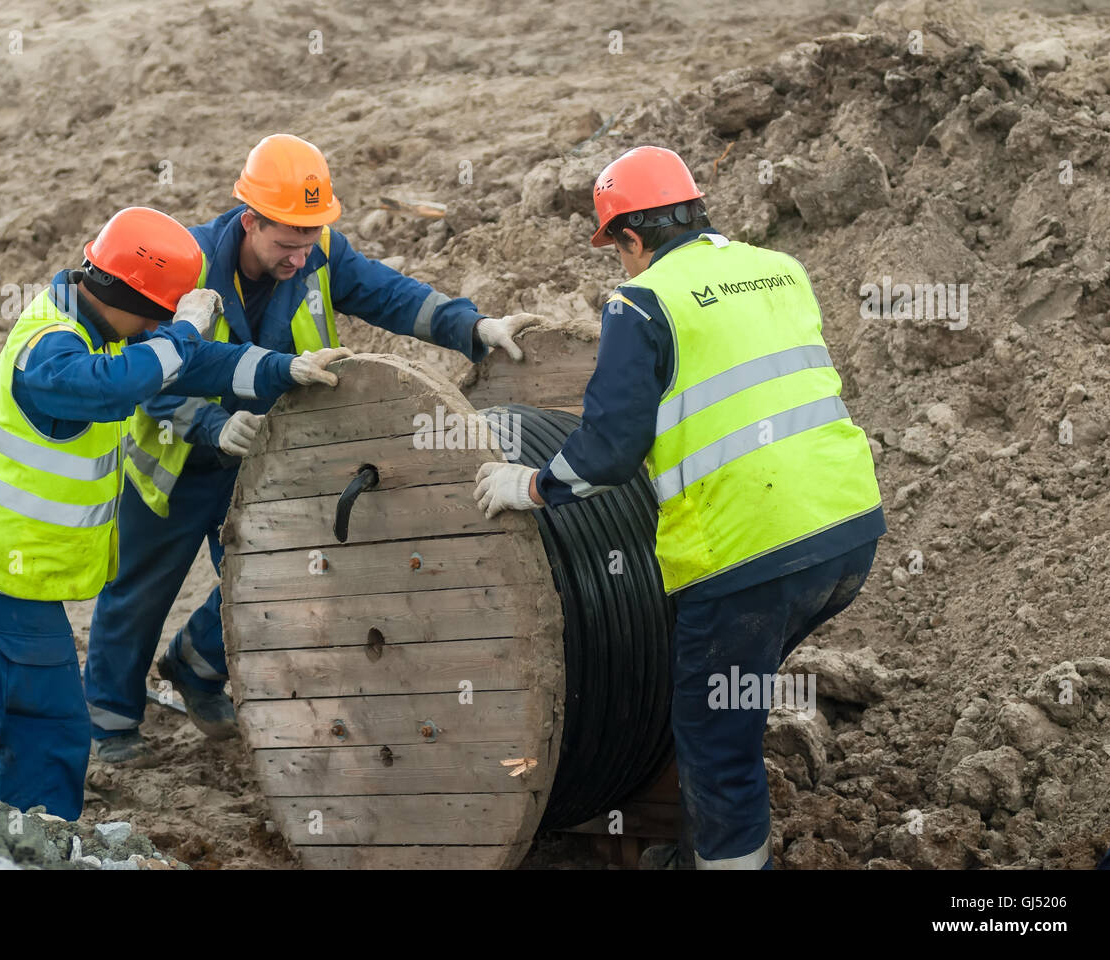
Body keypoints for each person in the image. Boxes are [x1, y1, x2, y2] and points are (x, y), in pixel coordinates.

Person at [473, 145, 887, 870]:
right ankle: (700, 849)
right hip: (847, 529)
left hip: (747, 556)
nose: (621, 263)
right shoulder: (778, 269)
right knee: (730, 695)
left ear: (631, 238)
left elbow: (607, 453)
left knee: (713, 741)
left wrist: (531, 486)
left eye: (618, 250)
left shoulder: (643, 300)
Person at [84, 134, 535, 761]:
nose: (300, 258)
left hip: (268, 457)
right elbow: (145, 372)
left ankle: (195, 666)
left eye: (308, 241)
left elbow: (391, 295)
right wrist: (212, 427)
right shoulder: (182, 269)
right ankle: (109, 724)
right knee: (138, 590)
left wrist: (473, 327)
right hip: (177, 461)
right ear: (250, 221)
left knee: (274, 578)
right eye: (285, 244)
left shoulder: (319, 251)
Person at [0, 206, 342, 820]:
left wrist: (282, 368)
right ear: (129, 295)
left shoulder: (84, 322)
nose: (159, 327)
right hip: (18, 573)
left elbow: (192, 365)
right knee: (50, 725)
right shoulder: (55, 357)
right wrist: (184, 334)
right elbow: (114, 384)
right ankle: (40, 848)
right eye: (158, 315)